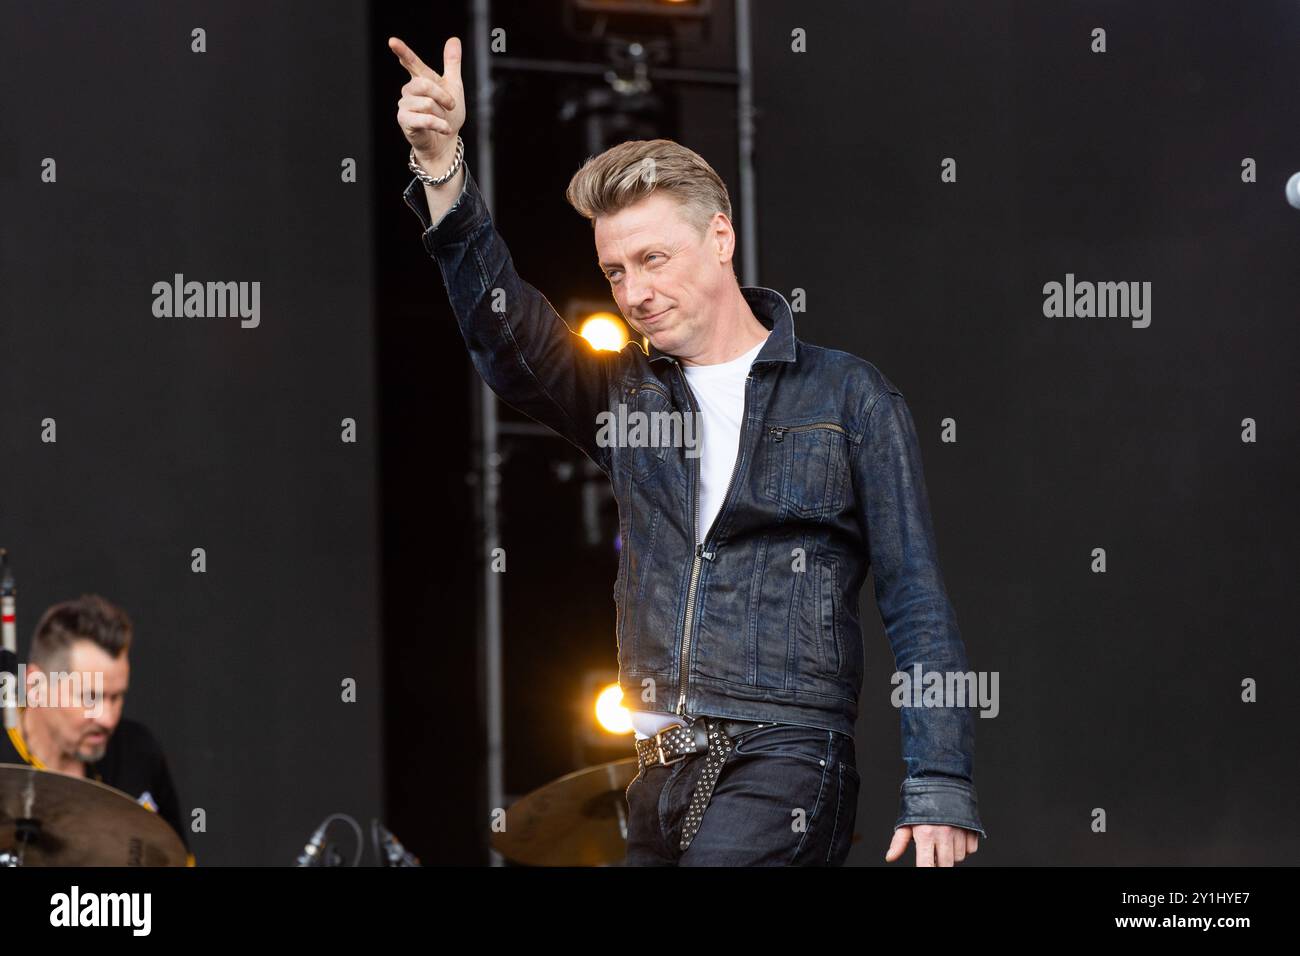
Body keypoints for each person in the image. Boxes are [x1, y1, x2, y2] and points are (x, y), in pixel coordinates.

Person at [388, 35, 986, 866]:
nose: (633, 292)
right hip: (660, 769)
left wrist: (939, 784)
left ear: (720, 237)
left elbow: (916, 600)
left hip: (785, 755)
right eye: (615, 270)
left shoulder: (848, 397)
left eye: (652, 260)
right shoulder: (629, 396)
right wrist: (445, 168)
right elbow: (505, 335)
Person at [0, 594, 194, 866]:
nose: (107, 718)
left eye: (116, 697)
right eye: (90, 697)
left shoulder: (138, 753)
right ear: (35, 687)